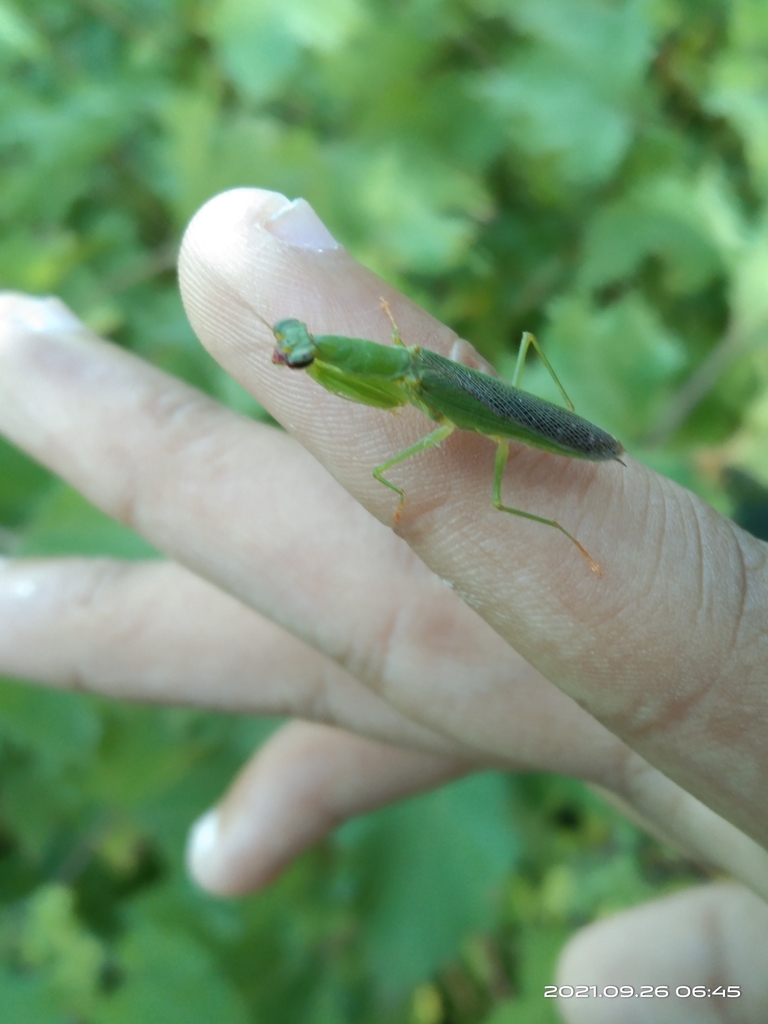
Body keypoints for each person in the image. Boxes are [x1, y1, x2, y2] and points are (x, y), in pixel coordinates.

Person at [1, 188, 767, 1021]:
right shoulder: (394, 365)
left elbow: (391, 425)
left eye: (297, 351)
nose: (295, 353)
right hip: (443, 386)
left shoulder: (407, 380)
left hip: (529, 430)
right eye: (298, 351)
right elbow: (376, 379)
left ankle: (579, 517)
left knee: (493, 489)